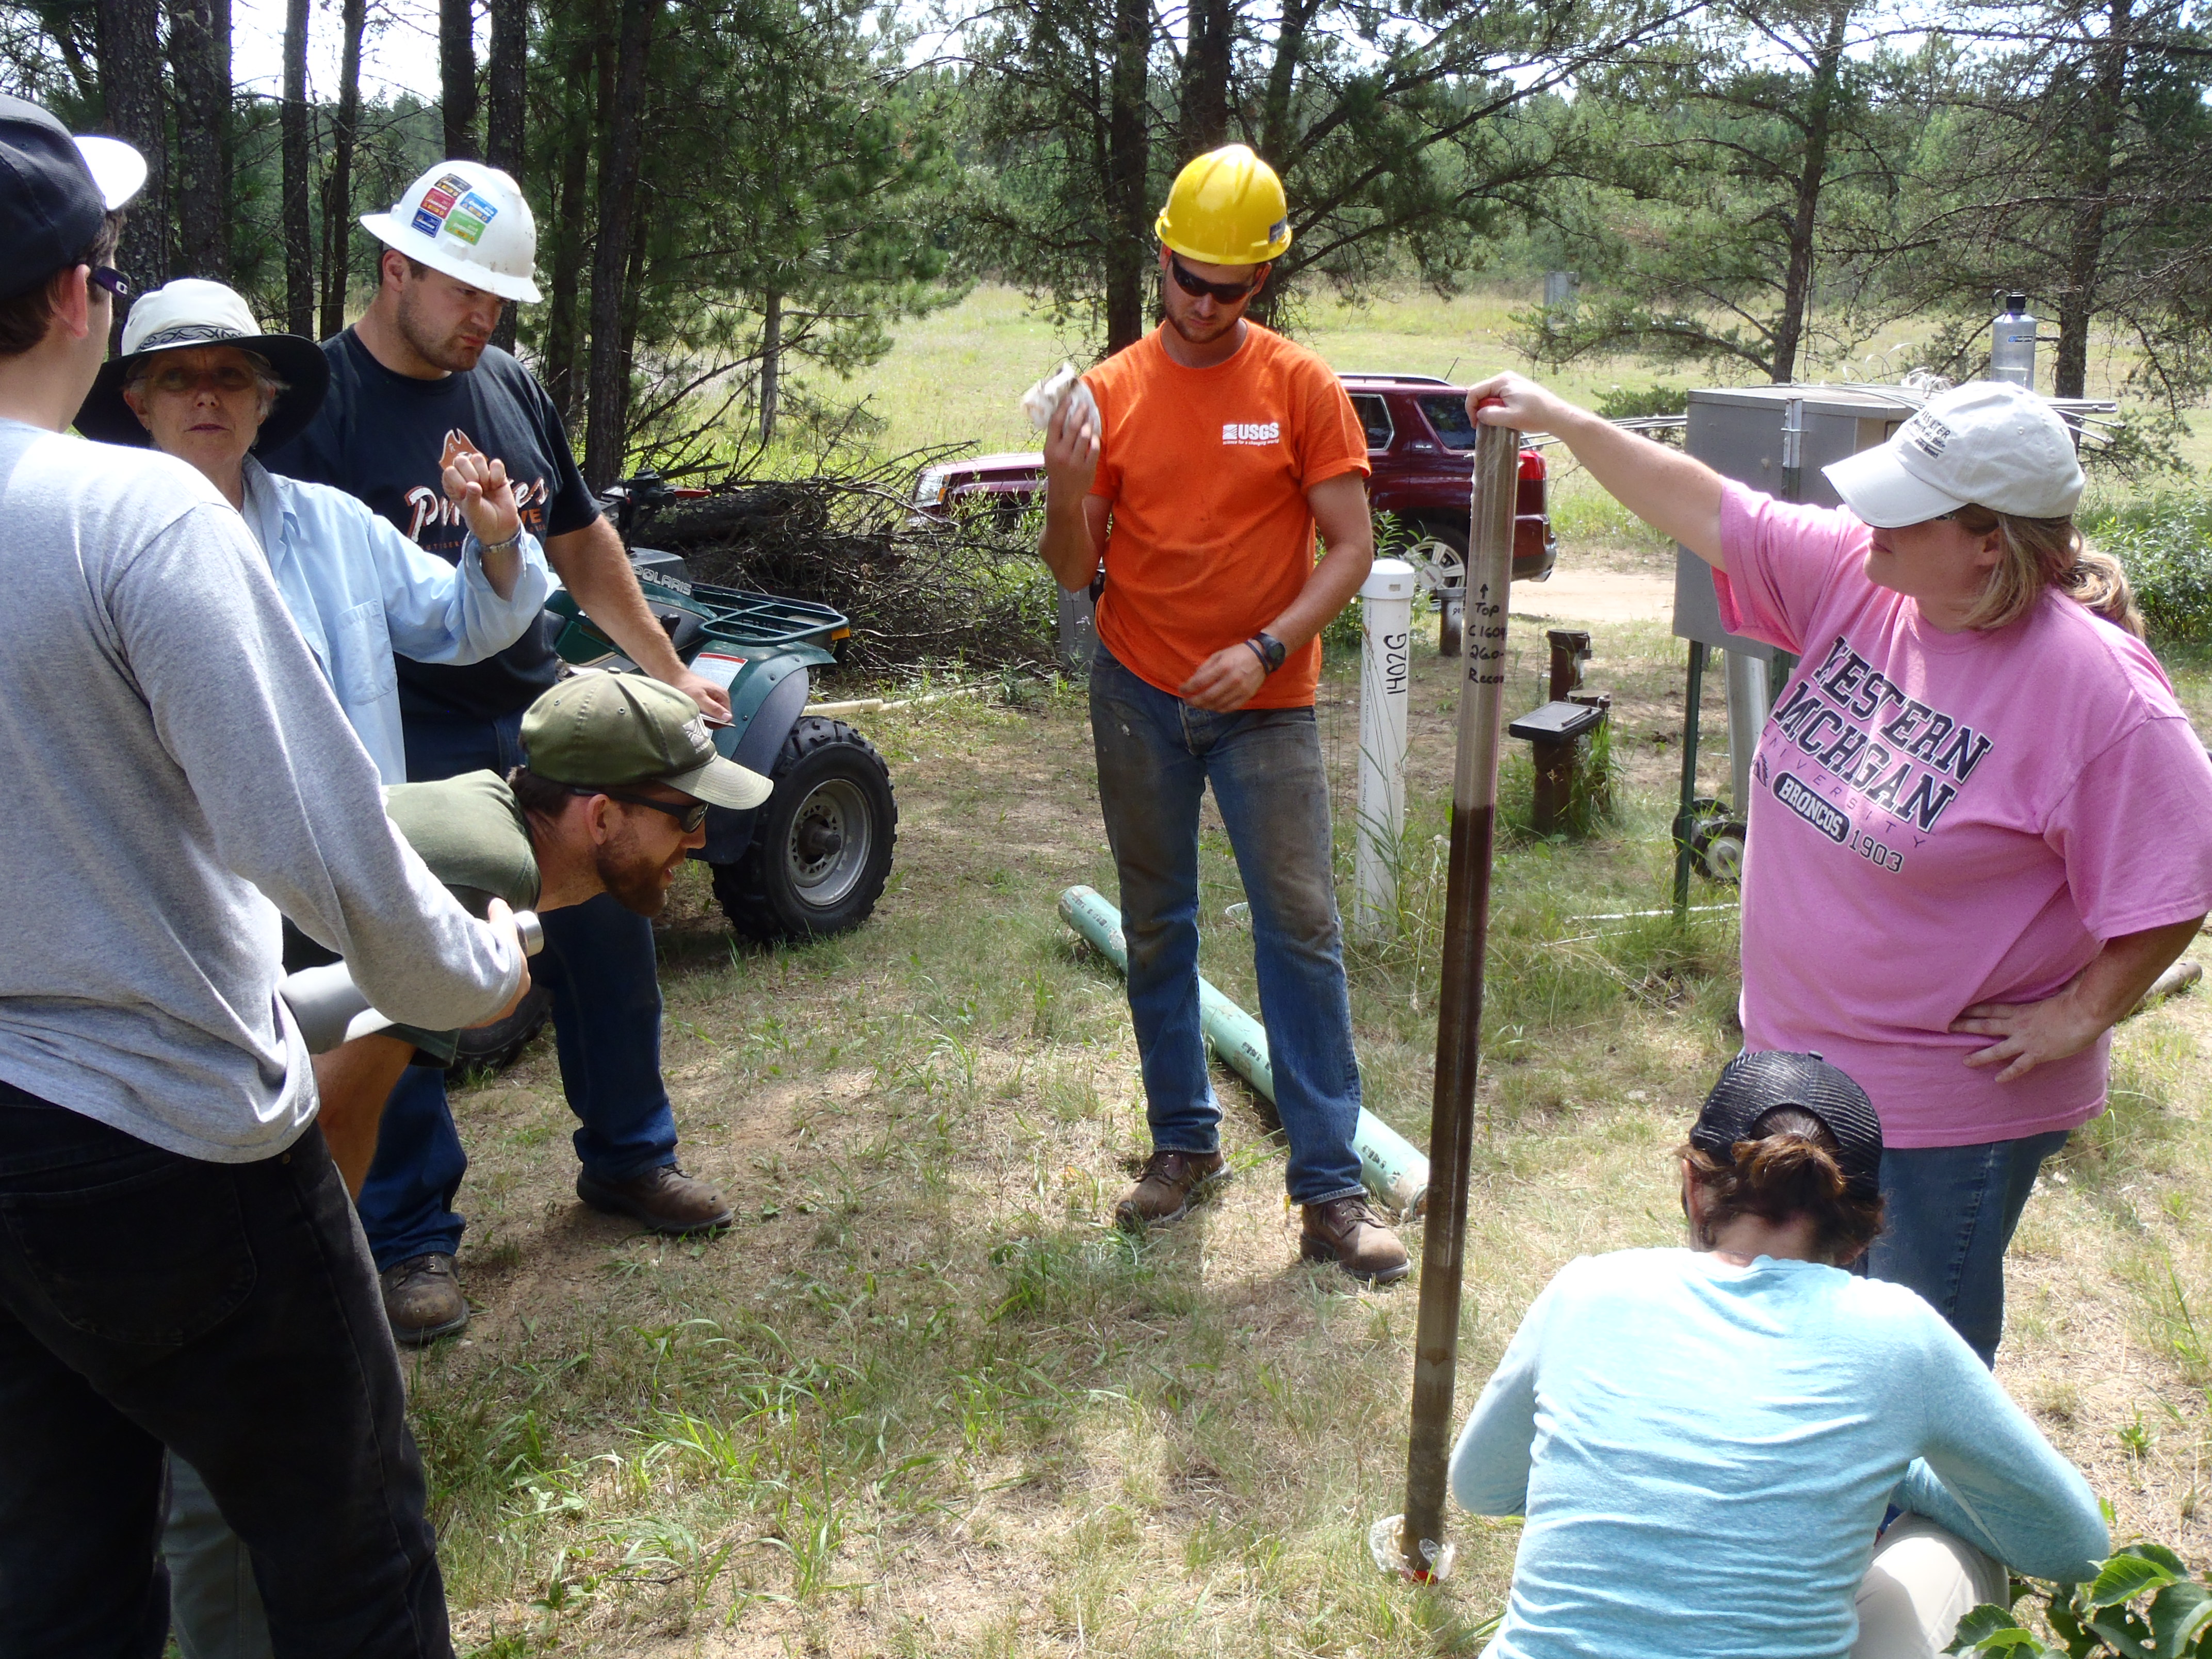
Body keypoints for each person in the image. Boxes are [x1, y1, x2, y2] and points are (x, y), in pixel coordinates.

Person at [0, 95, 529, 1655]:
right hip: (169, 1140)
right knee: (350, 1549)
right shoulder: (134, 516)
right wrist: (472, 978)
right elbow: (320, 843)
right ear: (78, 302)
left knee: (55, 1574)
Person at [1467, 373, 2212, 1362]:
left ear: (1989, 540)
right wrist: (1562, 420)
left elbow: (2176, 876)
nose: (1867, 513)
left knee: (1889, 1381)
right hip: (1788, 1070)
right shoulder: (1864, 580)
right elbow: (1703, 506)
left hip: (1942, 1112)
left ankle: (1903, 1524)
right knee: (1773, 1355)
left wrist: (2079, 1012)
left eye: (1906, 504)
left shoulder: (2097, 695)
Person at [161, 673, 771, 1659]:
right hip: (153, 1112)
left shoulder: (501, 826)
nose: (697, 842)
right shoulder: (480, 873)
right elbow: (337, 1112)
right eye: (684, 816)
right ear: (602, 812)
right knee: (266, 1446)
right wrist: (312, 1306)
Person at [263, 160, 738, 1345]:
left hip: (537, 711)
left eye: (499, 300)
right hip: (401, 735)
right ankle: (411, 1235)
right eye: (464, 292)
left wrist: (665, 673)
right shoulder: (322, 403)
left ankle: (631, 1156)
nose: (484, 318)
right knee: (404, 985)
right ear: (395, 269)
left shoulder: (511, 384)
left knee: (609, 931)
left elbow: (577, 545)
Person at [1038, 144, 1406, 1281]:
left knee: (1299, 931)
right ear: (1159, 258)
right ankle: (1182, 1144)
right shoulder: (1109, 392)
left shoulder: (1297, 387)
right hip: (1136, 694)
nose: (1201, 304)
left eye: (1228, 287)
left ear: (1262, 284)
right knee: (1157, 922)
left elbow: (1351, 548)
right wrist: (1061, 485)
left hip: (1266, 703)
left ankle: (1331, 1194)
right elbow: (1069, 571)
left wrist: (1264, 648)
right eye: (1185, 278)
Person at [1450, 1052, 2110, 1659]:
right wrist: (1899, 1469)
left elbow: (1480, 1486)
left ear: (1690, 1185)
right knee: (1963, 1544)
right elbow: (2075, 1547)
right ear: (1862, 1235)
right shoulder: (1899, 1333)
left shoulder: (1587, 1289)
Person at [73, 276, 552, 784]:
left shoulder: (336, 527)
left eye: (231, 376)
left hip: (349, 851)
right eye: (177, 378)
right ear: (140, 405)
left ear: (264, 402)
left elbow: (468, 621)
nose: (207, 396)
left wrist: (500, 540)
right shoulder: (94, 552)